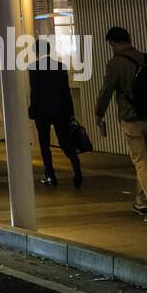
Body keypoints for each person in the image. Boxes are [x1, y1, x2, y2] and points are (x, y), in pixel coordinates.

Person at [95, 26, 147, 223]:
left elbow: (107, 91)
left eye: (111, 45)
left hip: (132, 120)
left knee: (141, 164)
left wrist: (98, 114)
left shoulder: (116, 63)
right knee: (144, 162)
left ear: (114, 43)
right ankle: (141, 202)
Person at [28, 37, 83, 188]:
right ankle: (77, 169)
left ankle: (50, 175)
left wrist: (32, 109)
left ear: (36, 52)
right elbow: (66, 91)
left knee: (44, 144)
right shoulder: (60, 66)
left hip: (42, 112)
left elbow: (35, 91)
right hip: (61, 110)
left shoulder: (34, 67)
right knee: (65, 141)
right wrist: (70, 111)